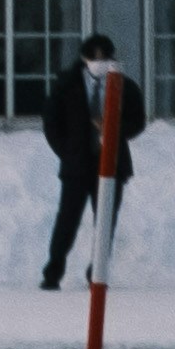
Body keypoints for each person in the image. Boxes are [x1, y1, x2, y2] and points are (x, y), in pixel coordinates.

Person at [32, 35, 140, 290]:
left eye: (105, 58)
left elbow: (138, 120)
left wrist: (114, 129)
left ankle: (97, 272)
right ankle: (53, 271)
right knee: (67, 219)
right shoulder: (66, 85)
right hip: (77, 164)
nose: (100, 63)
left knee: (105, 221)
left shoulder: (124, 85)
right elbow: (51, 122)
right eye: (95, 58)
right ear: (84, 59)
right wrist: (67, 151)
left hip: (112, 163)